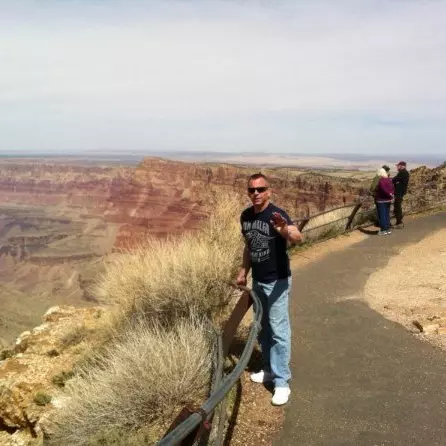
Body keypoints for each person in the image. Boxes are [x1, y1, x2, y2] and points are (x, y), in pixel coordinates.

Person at [236, 173, 302, 406]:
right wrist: (244, 270)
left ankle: (282, 382)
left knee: (278, 330)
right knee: (263, 327)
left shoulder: (277, 215)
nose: (256, 194)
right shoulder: (245, 217)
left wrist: (284, 230)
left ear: (269, 191)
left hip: (277, 281)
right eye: (252, 190)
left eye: (260, 189)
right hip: (258, 281)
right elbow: (249, 246)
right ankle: (269, 369)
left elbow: (296, 236)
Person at [375, 167, 394, 235]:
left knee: (382, 215)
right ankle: (388, 229)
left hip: (381, 200)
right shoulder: (389, 179)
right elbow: (392, 188)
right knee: (386, 214)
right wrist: (391, 194)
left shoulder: (381, 180)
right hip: (388, 200)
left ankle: (383, 230)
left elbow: (383, 189)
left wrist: (389, 194)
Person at [392, 161, 410, 228]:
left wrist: (396, 182)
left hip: (399, 192)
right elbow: (396, 180)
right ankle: (398, 221)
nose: (397, 167)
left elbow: (394, 180)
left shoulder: (402, 172)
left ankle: (399, 222)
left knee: (398, 207)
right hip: (400, 192)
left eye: (398, 166)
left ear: (402, 166)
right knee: (397, 206)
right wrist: (396, 182)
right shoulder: (403, 172)